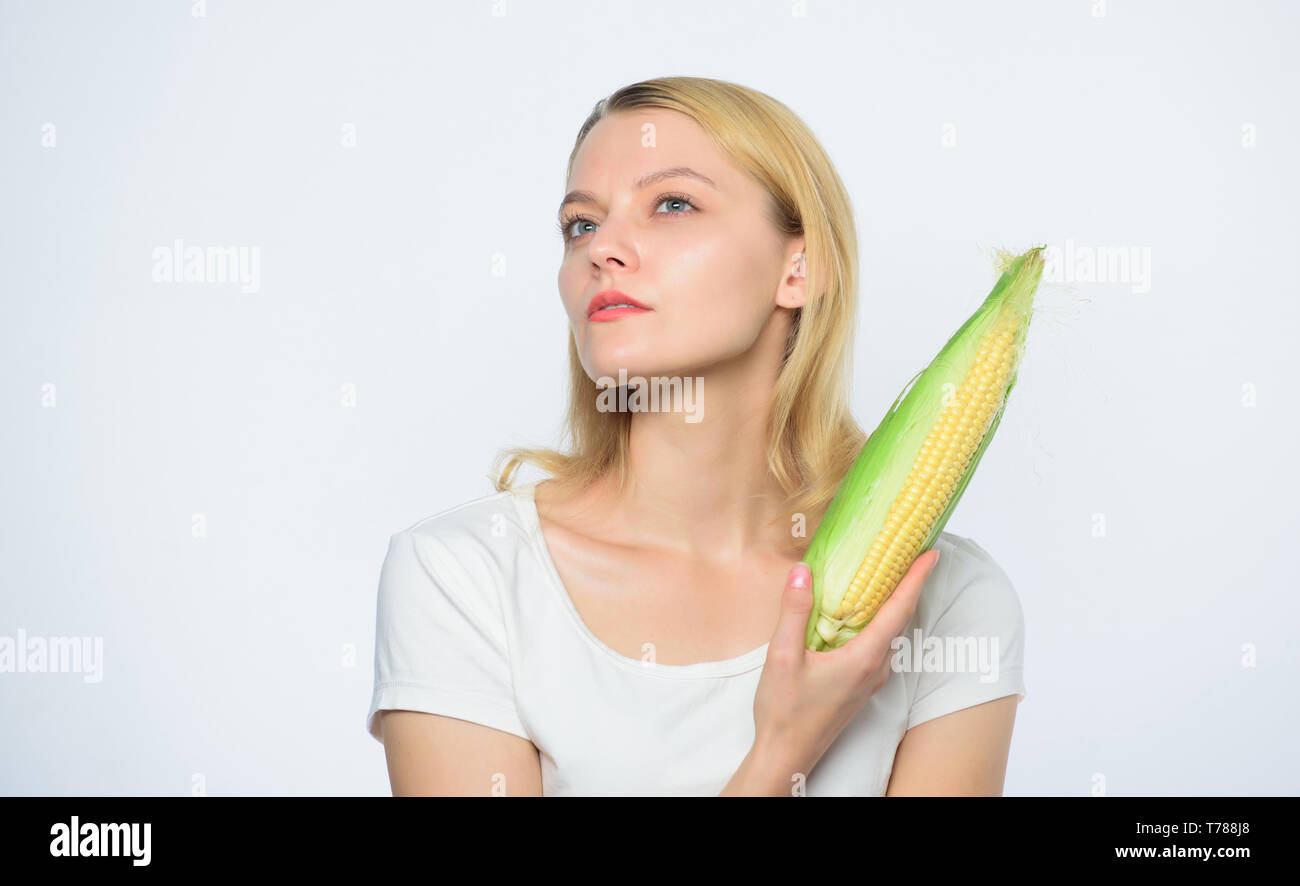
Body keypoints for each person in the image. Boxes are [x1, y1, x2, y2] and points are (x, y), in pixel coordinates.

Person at [366, 76, 1026, 796]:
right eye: (581, 224)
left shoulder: (947, 599)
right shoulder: (465, 579)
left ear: (798, 269)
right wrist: (785, 748)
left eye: (672, 204)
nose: (602, 249)